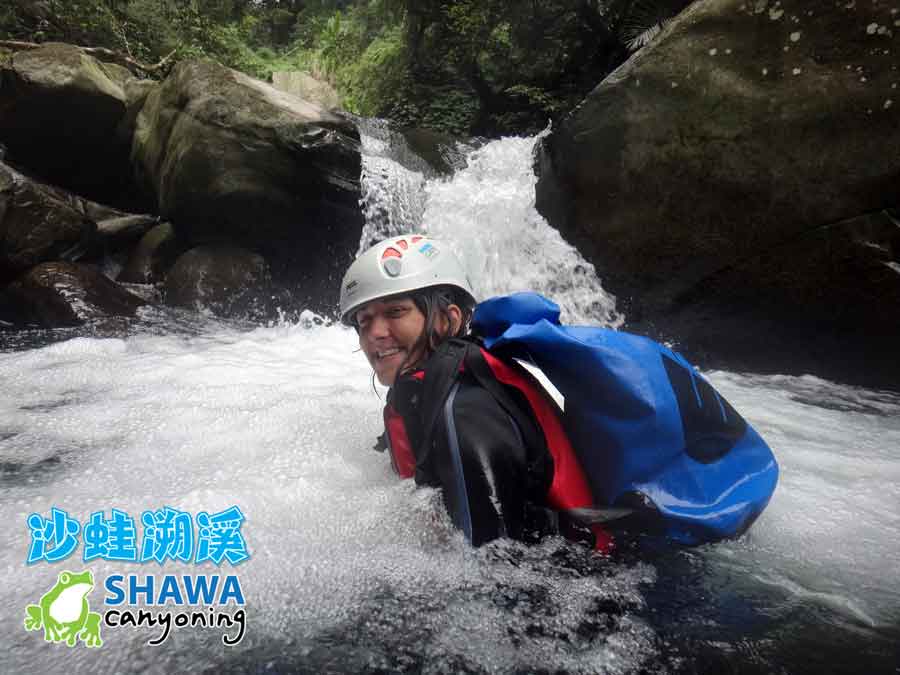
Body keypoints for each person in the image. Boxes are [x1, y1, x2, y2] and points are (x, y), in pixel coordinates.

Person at [340, 234, 614, 552]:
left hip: (584, 580)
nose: (374, 333)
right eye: (363, 321)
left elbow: (496, 567)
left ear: (449, 319)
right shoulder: (421, 394)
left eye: (396, 312)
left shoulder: (467, 412)